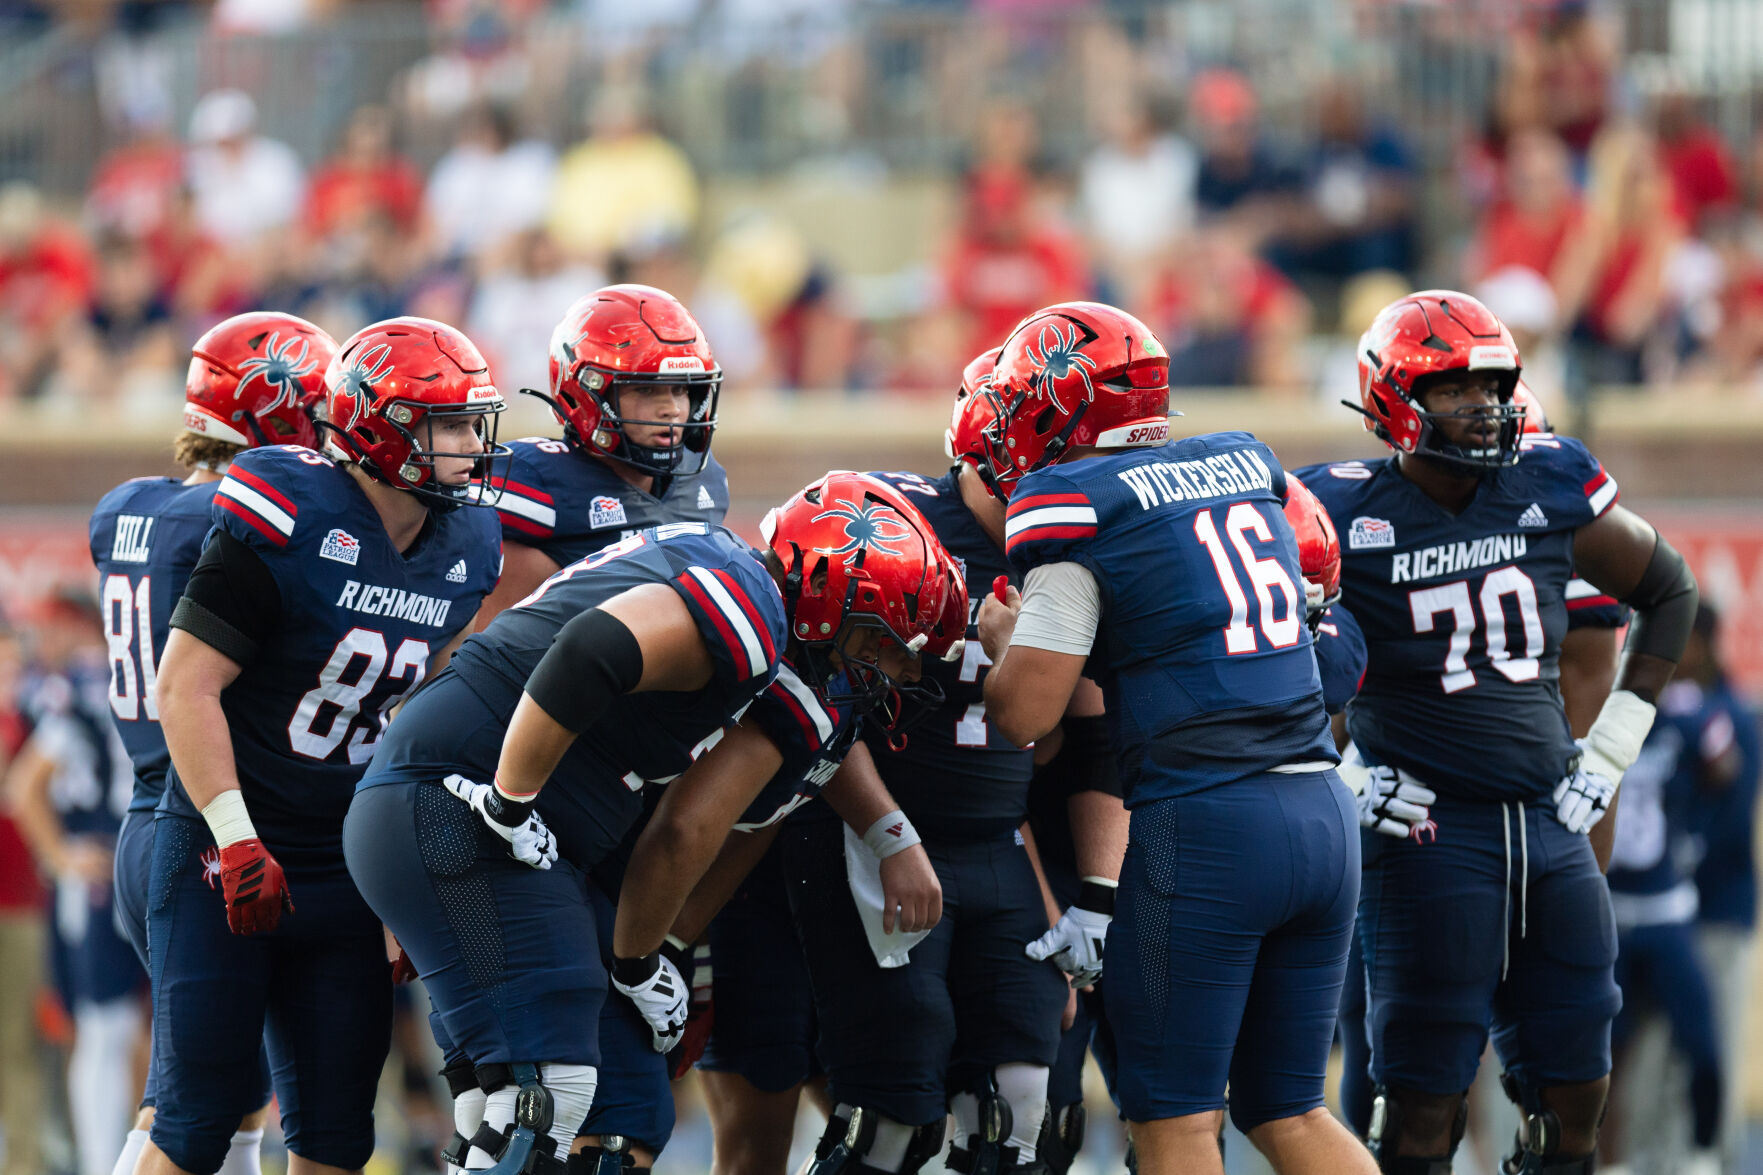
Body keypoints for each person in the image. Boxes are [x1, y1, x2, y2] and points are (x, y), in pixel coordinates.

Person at [345, 472, 958, 1175]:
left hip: (518, 838)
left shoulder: (773, 650)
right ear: (829, 590)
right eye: (884, 639)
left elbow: (726, 830)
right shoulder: (749, 603)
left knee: (620, 1114)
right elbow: (589, 652)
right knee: (541, 1097)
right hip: (465, 804)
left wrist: (656, 952)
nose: (896, 669)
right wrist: (511, 799)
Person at [1294, 289, 1699, 1175]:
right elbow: (1255, 655)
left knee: (1575, 1101)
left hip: (1549, 827)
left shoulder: (1548, 478)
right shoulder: (1336, 510)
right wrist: (1340, 772)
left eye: (1492, 385)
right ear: (1394, 397)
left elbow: (1669, 589)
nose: (1483, 406)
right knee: (1419, 1116)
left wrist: (1611, 747)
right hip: (1429, 835)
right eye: (1453, 388)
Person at [974, 301, 1373, 1175]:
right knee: (1292, 1108)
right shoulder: (1239, 462)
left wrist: (1002, 641)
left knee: (1175, 1122)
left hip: (1208, 824)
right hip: (1320, 808)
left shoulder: (1072, 502)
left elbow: (1024, 714)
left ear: (1057, 406)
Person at [141, 316, 508, 1175]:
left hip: (346, 867)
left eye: (472, 422)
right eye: (450, 424)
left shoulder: (467, 546)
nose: (472, 445)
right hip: (227, 850)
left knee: (338, 1132)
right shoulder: (292, 514)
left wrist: (410, 872)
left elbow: (427, 723)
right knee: (196, 1120)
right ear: (382, 427)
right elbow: (185, 686)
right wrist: (236, 837)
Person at [783, 347, 1087, 1175]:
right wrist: (888, 833)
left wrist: (1054, 896)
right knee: (889, 1121)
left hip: (999, 844)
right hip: (872, 836)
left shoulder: (1074, 549)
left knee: (1021, 1116)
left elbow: (1061, 747)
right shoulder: (889, 524)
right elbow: (815, 707)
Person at [89, 310, 337, 1175]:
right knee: (191, 1106)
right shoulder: (235, 520)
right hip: (200, 824)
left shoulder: (127, 508)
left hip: (149, 812)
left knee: (223, 1097)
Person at [481, 284, 728, 623]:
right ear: (586, 392)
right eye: (646, 389)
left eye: (680, 389)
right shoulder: (536, 477)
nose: (671, 409)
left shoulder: (704, 479)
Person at [6, 591, 142, 1175]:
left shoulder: (93, 680)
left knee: (116, 1029)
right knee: (111, 1027)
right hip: (115, 869)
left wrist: (59, 855)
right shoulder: (96, 681)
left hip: (116, 869)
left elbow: (24, 784)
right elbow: (27, 784)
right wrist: (61, 854)